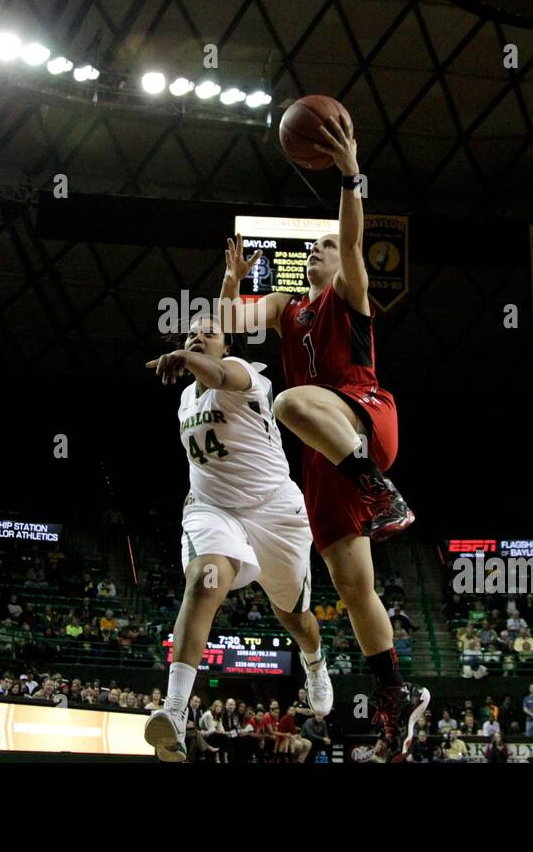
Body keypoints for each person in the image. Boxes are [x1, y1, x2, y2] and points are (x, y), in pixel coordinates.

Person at [218, 116, 427, 757]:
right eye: (313, 249)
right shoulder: (288, 308)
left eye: (326, 246)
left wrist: (348, 177)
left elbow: (356, 239)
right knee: (352, 585)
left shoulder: (350, 292)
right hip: (322, 459)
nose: (319, 251)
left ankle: (381, 487)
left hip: (362, 413)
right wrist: (231, 283)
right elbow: (229, 320)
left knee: (287, 398)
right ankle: (395, 691)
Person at [142, 317, 333, 762]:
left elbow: (219, 373)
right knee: (205, 582)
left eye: (208, 331)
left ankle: (316, 662)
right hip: (215, 511)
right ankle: (173, 710)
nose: (197, 336)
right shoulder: (186, 399)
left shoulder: (243, 372)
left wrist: (190, 355)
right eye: (190, 333)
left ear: (227, 343)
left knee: (294, 617)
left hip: (275, 513)